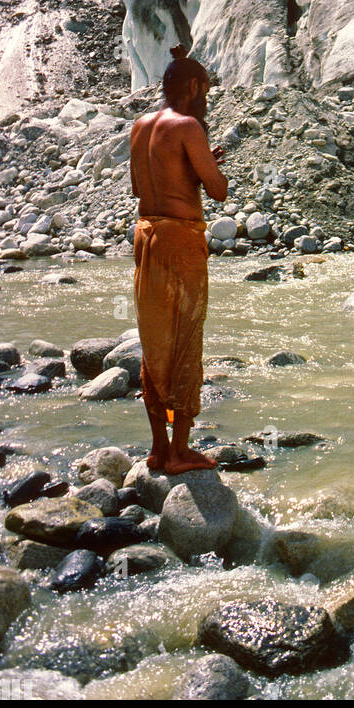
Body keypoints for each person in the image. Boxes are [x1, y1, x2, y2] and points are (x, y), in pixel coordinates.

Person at [129, 44, 228, 474]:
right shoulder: (189, 126)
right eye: (204, 89)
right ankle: (180, 451)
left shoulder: (139, 125)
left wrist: (188, 171)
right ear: (192, 86)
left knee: (154, 343)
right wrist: (208, 166)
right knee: (187, 337)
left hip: (145, 235)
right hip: (179, 239)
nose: (205, 96)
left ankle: (156, 448)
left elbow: (140, 186)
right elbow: (218, 190)